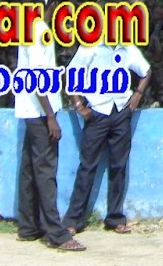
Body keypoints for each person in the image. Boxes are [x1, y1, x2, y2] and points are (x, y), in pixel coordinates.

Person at [14, 0, 84, 251]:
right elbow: (37, 77)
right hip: (41, 112)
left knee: (29, 169)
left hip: (29, 111)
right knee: (46, 171)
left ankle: (29, 226)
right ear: (51, 5)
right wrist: (51, 116)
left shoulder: (29, 28)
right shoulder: (39, 31)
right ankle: (56, 233)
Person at [64, 37, 151, 234]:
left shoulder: (127, 46)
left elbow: (146, 70)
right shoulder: (90, 46)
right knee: (87, 167)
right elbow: (72, 73)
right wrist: (79, 106)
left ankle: (114, 217)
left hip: (121, 112)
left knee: (118, 166)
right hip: (97, 113)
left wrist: (137, 94)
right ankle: (73, 220)